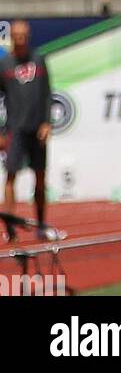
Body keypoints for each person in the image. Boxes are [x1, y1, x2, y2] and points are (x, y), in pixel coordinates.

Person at [0, 20, 53, 232]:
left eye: (24, 36)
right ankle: (10, 227)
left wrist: (47, 122)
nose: (20, 39)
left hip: (37, 129)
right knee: (11, 175)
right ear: (11, 36)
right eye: (17, 35)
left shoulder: (39, 59)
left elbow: (48, 94)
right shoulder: (4, 65)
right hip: (15, 130)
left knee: (40, 178)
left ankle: (41, 223)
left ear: (28, 37)